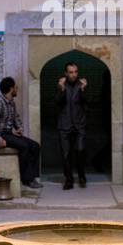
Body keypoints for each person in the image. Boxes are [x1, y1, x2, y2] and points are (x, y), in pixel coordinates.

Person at [0, 77, 42, 189]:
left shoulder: (11, 103)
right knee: (24, 146)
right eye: (16, 87)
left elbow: (16, 118)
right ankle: (27, 179)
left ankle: (33, 177)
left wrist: (19, 128)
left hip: (8, 134)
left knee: (35, 146)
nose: (17, 89)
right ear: (11, 88)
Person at [56, 62, 87, 190]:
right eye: (71, 72)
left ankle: (81, 176)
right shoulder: (60, 85)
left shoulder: (82, 85)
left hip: (79, 124)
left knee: (80, 150)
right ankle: (69, 179)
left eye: (75, 72)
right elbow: (57, 102)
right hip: (64, 125)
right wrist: (62, 88)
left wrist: (84, 90)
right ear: (66, 73)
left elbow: (88, 102)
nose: (74, 75)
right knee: (66, 154)